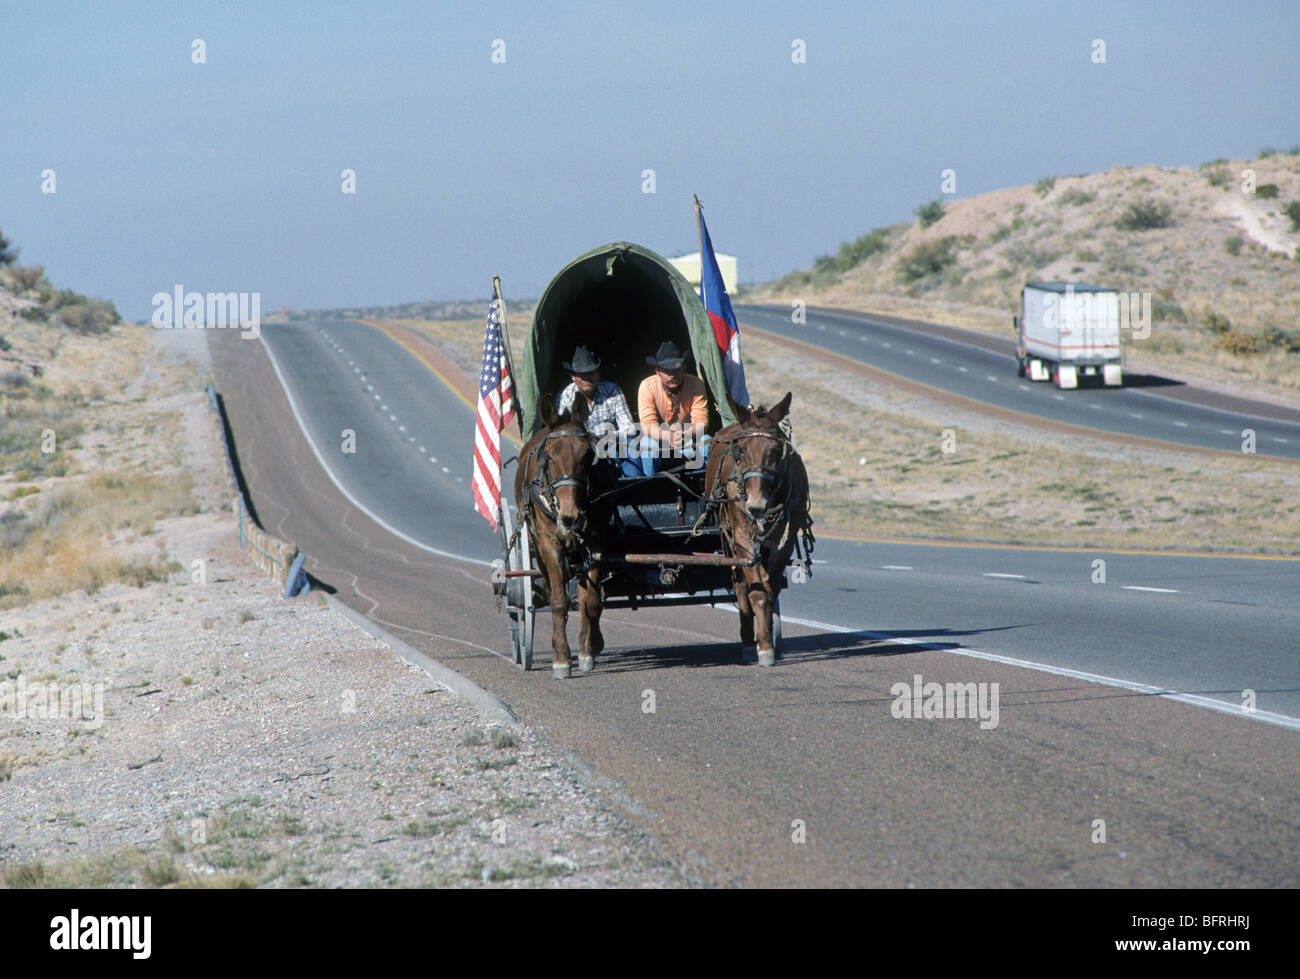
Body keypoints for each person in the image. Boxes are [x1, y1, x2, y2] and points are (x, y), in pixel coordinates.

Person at [554, 345, 640, 477]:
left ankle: (633, 486)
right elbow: (560, 432)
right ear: (573, 377)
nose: (587, 378)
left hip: (611, 448)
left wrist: (609, 437)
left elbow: (629, 428)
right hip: (580, 451)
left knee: (630, 446)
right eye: (582, 375)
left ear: (598, 374)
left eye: (591, 373)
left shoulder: (612, 391)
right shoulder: (566, 395)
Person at [632, 340, 711, 476]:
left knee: (706, 442)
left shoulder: (696, 384)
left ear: (684, 368)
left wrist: (684, 434)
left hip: (687, 437)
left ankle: (703, 488)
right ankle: (649, 487)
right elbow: (648, 425)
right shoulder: (647, 386)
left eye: (676, 369)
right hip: (659, 439)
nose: (672, 375)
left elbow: (702, 422)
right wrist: (668, 436)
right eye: (667, 371)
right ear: (657, 371)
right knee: (647, 445)